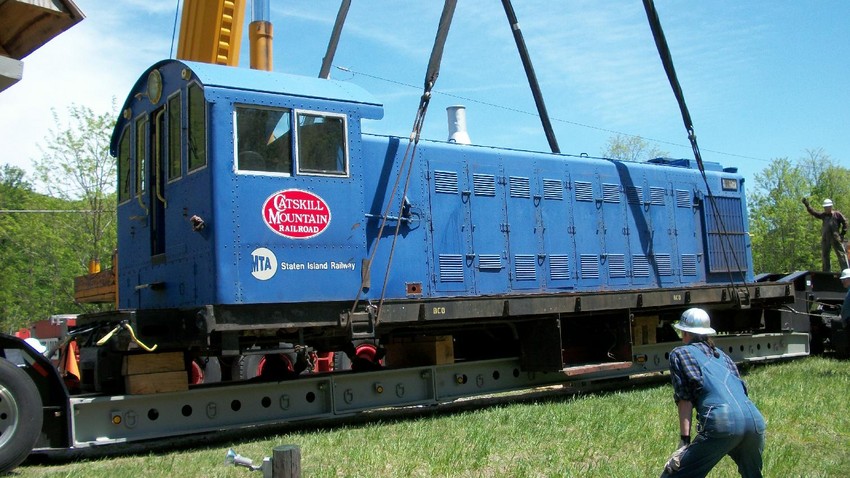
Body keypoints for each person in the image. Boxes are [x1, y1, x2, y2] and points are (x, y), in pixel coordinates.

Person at [661, 308, 765, 478]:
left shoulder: (680, 354)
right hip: (755, 422)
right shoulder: (724, 356)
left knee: (675, 474)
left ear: (685, 333)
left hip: (723, 422)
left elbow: (684, 399)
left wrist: (684, 442)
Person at [802, 197, 849, 272]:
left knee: (841, 255)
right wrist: (807, 205)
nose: (826, 209)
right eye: (825, 207)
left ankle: (846, 271)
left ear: (831, 207)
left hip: (835, 237)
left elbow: (845, 223)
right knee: (825, 255)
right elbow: (814, 212)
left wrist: (842, 234)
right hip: (825, 238)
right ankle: (826, 272)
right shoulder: (823, 215)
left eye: (827, 207)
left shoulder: (837, 214)